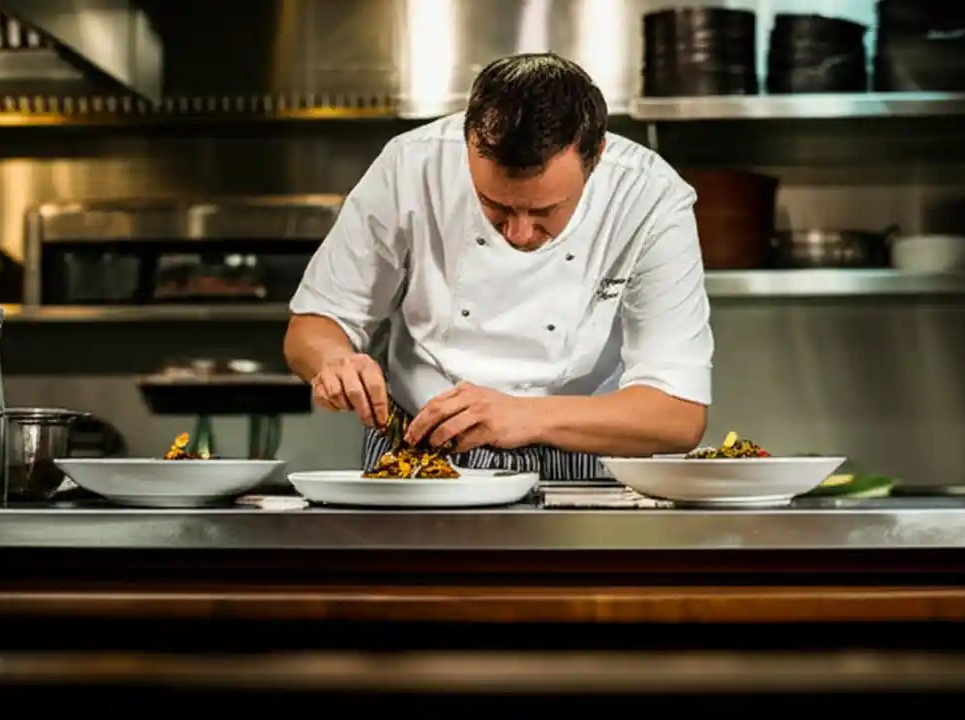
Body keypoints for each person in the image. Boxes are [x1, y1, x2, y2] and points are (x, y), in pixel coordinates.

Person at [284, 53, 714, 480]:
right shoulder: (410, 166)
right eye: (494, 206)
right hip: (421, 453)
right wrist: (334, 360)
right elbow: (315, 325)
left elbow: (678, 416)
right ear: (468, 142)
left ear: (595, 156)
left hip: (586, 457)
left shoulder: (650, 196)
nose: (518, 234)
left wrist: (525, 416)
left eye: (546, 210)